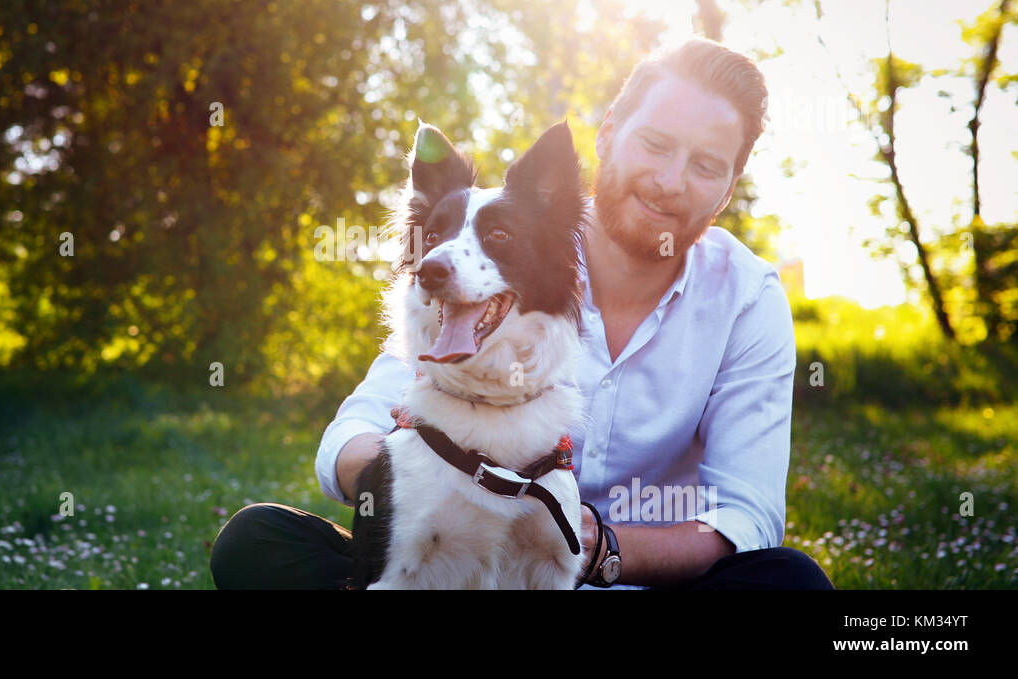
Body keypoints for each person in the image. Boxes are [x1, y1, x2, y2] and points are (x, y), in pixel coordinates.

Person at [210, 38, 834, 590]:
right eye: (656, 144)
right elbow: (347, 443)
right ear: (609, 132)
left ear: (728, 186)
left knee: (790, 583)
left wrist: (596, 548)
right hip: (450, 567)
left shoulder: (747, 299)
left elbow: (745, 517)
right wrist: (436, 484)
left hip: (623, 580)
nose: (671, 180)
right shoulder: (501, 249)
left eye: (704, 165)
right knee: (258, 542)